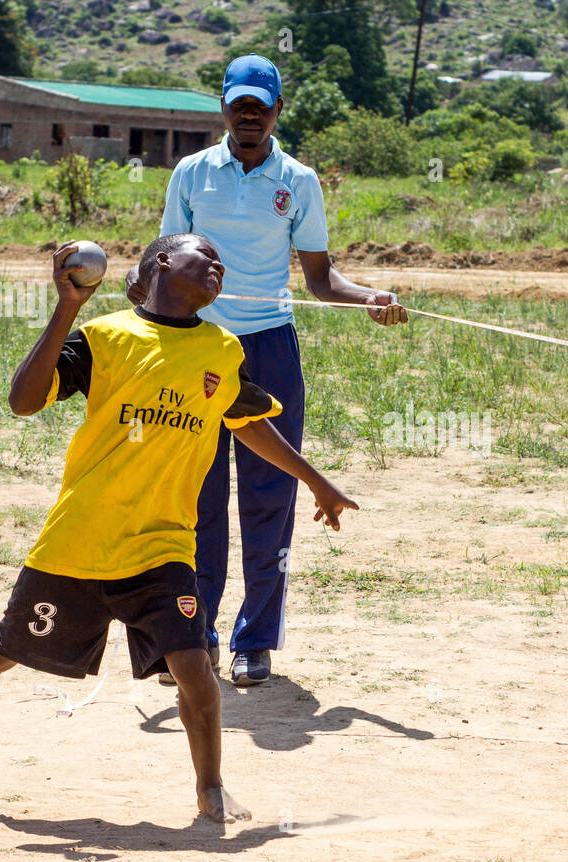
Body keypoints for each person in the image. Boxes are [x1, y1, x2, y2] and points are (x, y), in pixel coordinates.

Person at [0, 235, 358, 823]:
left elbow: (244, 421)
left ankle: (211, 789)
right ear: (164, 264)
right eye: (208, 257)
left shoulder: (222, 350)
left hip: (163, 541)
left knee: (194, 667)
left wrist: (315, 480)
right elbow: (24, 400)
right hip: (81, 538)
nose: (220, 267)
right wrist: (68, 307)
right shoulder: (106, 337)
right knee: (1, 650)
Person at [127, 53, 406, 688]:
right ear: (222, 108)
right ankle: (193, 635)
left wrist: (372, 300)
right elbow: (164, 261)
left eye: (260, 106)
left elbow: (318, 277)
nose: (248, 116)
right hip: (195, 348)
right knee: (195, 497)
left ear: (277, 111)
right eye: (238, 105)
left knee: (269, 494)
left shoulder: (299, 181)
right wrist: (137, 285)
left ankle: (255, 640)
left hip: (269, 349)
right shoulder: (192, 174)